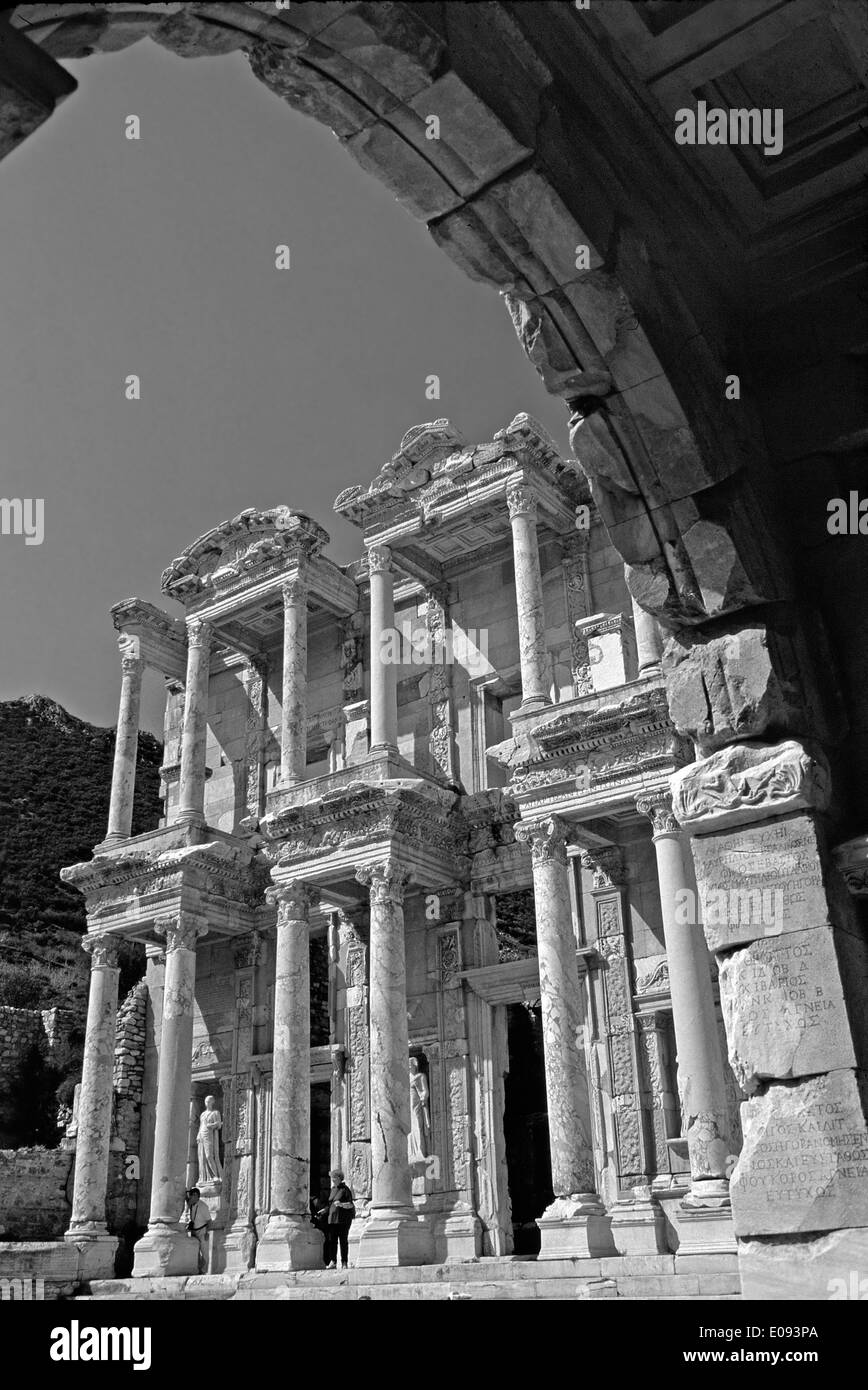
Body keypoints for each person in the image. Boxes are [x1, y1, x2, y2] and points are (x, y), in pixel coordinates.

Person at [323, 1169, 355, 1269]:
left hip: (343, 1220)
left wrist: (341, 1204)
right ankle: (333, 1261)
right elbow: (330, 1203)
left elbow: (350, 1205)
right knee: (332, 1241)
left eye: (334, 1177)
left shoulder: (345, 1189)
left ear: (339, 1178)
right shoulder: (333, 1189)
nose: (332, 1179)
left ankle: (344, 1262)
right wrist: (325, 1210)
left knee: (343, 1241)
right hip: (332, 1219)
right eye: (331, 1177)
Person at [184, 1187, 212, 1274]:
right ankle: (197, 1270)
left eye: (191, 1196)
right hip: (194, 1231)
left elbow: (209, 1221)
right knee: (195, 1251)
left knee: (204, 1253)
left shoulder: (203, 1206)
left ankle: (204, 1271)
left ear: (196, 1196)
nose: (189, 1198)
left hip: (202, 1231)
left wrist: (207, 1232)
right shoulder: (192, 1204)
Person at [196, 1095, 223, 1183]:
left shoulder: (215, 1113)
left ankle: (215, 1175)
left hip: (210, 1135)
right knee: (202, 1156)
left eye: (208, 1101)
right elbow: (201, 1125)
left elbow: (219, 1124)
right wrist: (198, 1135)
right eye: (206, 1101)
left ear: (212, 1102)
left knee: (209, 1155)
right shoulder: (203, 1114)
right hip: (202, 1134)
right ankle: (205, 1178)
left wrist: (211, 1125)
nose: (207, 1103)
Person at [408, 1056, 430, 1159]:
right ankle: (412, 1151)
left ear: (414, 1066)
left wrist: (423, 1098)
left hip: (417, 1104)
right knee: (410, 1126)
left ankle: (421, 1150)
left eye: (410, 1065)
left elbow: (425, 1091)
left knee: (418, 1124)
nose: (408, 1067)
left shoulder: (420, 1076)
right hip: (409, 1105)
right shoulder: (407, 1078)